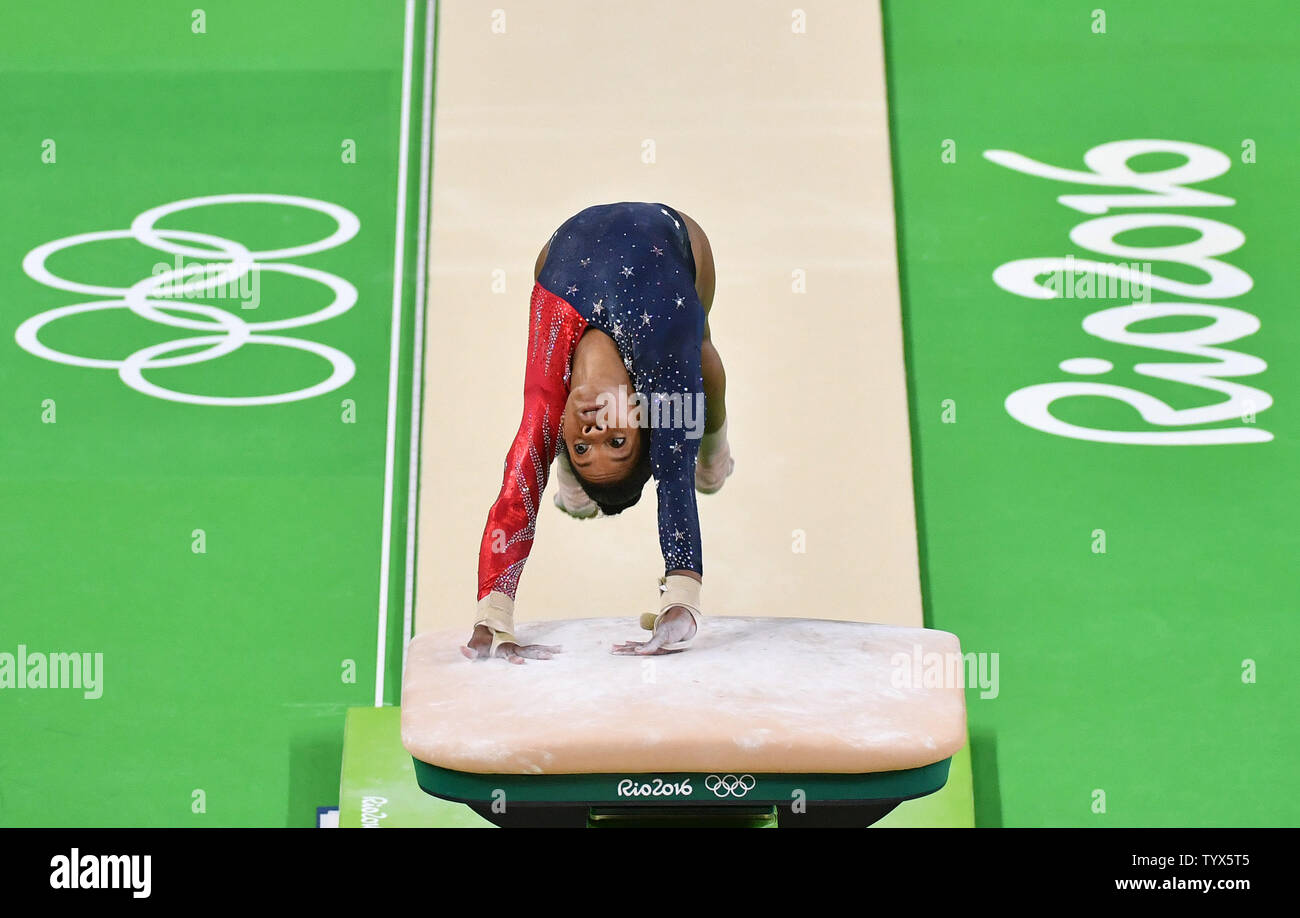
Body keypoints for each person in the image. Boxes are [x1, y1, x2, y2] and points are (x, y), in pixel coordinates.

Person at [463, 202, 733, 663]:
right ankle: (711, 454)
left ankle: (705, 452)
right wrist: (682, 597)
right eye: (616, 441)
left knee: (686, 378)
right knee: (693, 368)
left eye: (582, 446)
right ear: (641, 413)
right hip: (677, 244)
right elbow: (672, 482)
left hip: (562, 252)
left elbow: (516, 492)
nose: (595, 428)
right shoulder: (662, 362)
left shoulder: (550, 405)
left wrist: (493, 610)